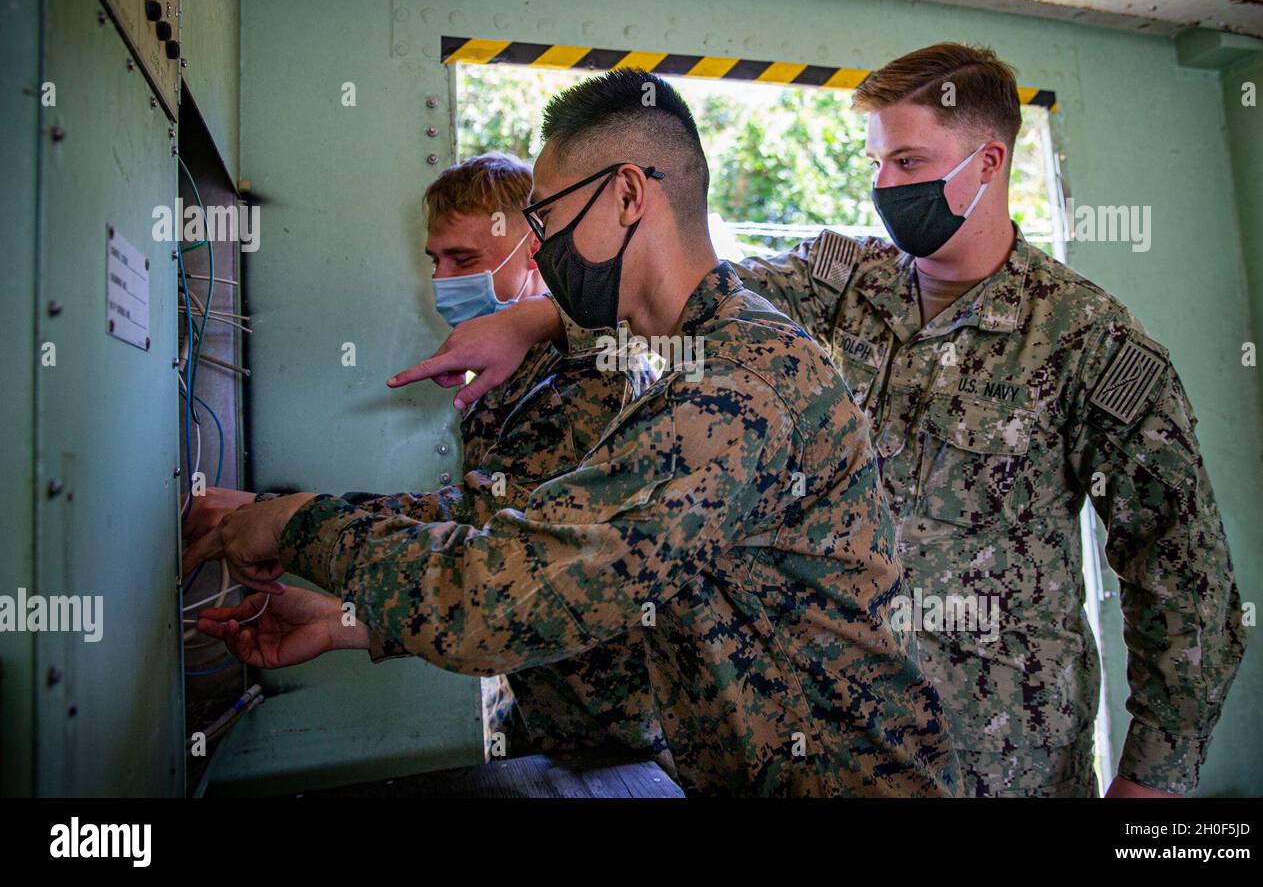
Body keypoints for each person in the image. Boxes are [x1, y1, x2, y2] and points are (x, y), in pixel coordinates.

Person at [416, 46, 1247, 798]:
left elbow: (1186, 577)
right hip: (835, 752)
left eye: (910, 161)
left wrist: (1155, 784)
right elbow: (684, 285)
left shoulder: (1087, 342)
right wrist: (528, 321)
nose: (885, 186)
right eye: (878, 161)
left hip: (1003, 759)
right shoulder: (842, 282)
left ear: (989, 162)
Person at [191, 69, 957, 797]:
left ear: (627, 195)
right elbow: (527, 523)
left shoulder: (731, 390)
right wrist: (326, 559)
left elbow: (505, 599)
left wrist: (299, 527)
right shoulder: (699, 354)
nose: (545, 248)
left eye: (548, 219)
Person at [184, 153, 673, 773]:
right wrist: (350, 620)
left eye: (463, 260)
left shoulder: (589, 374)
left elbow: (494, 539)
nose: (442, 279)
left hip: (615, 744)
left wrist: (281, 518)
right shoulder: (518, 371)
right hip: (556, 713)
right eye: (434, 261)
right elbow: (502, 571)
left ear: (535, 251)